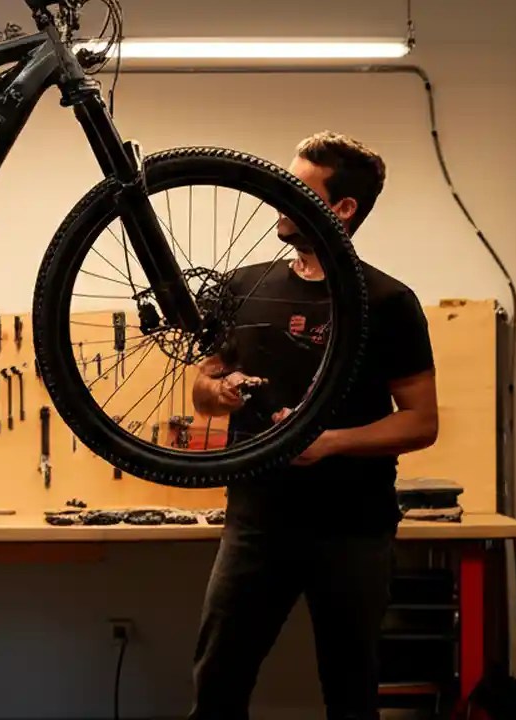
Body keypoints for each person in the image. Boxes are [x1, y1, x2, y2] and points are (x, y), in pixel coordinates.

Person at [186, 131, 439, 720]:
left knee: (350, 694)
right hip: (255, 522)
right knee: (217, 686)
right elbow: (201, 388)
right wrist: (220, 390)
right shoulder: (242, 288)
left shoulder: (389, 301)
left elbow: (421, 422)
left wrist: (328, 443)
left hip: (352, 530)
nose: (281, 197)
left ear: (342, 208)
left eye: (298, 187)